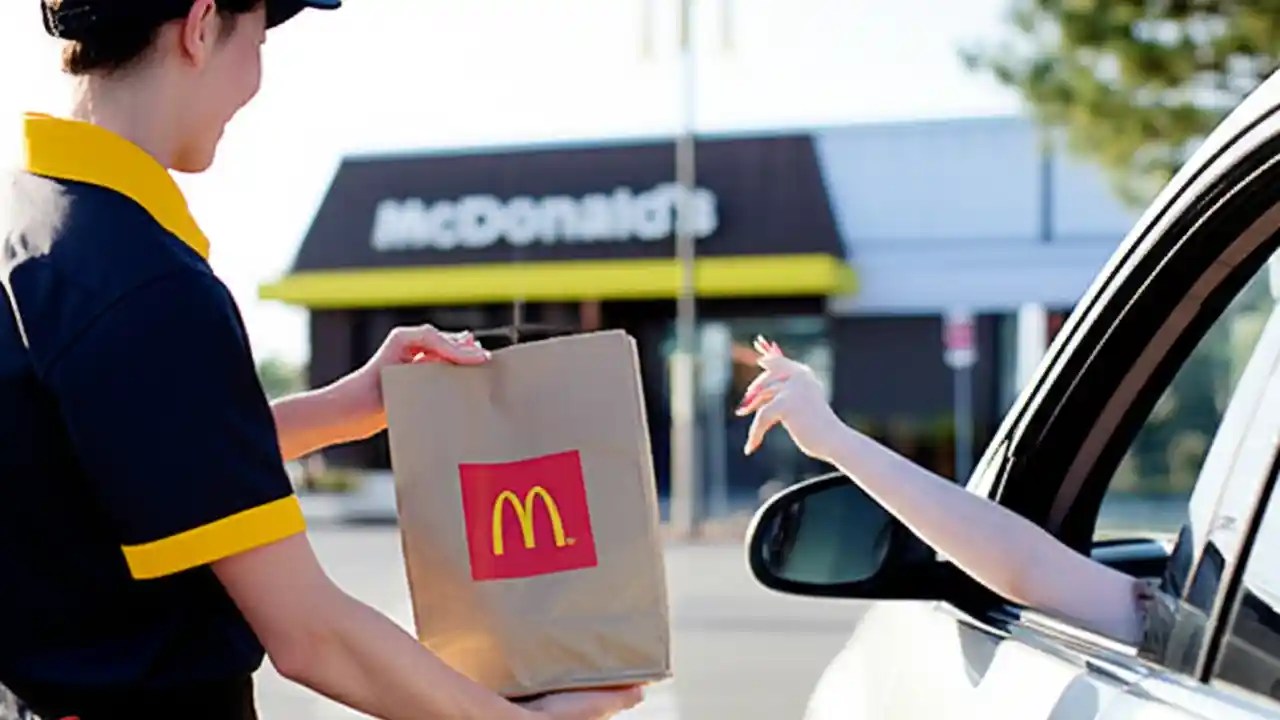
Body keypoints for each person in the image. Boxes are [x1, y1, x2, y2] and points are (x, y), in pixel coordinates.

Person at [0, 2, 642, 718]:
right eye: (260, 38)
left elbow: (130, 462)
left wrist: (346, 407)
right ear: (202, 25)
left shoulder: (32, 224)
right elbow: (311, 635)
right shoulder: (142, 282)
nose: (257, 77)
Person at [737, 337, 1177, 660]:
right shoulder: (1194, 633)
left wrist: (835, 440)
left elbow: (1029, 566)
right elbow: (1028, 565)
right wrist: (834, 440)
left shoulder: (1190, 634)